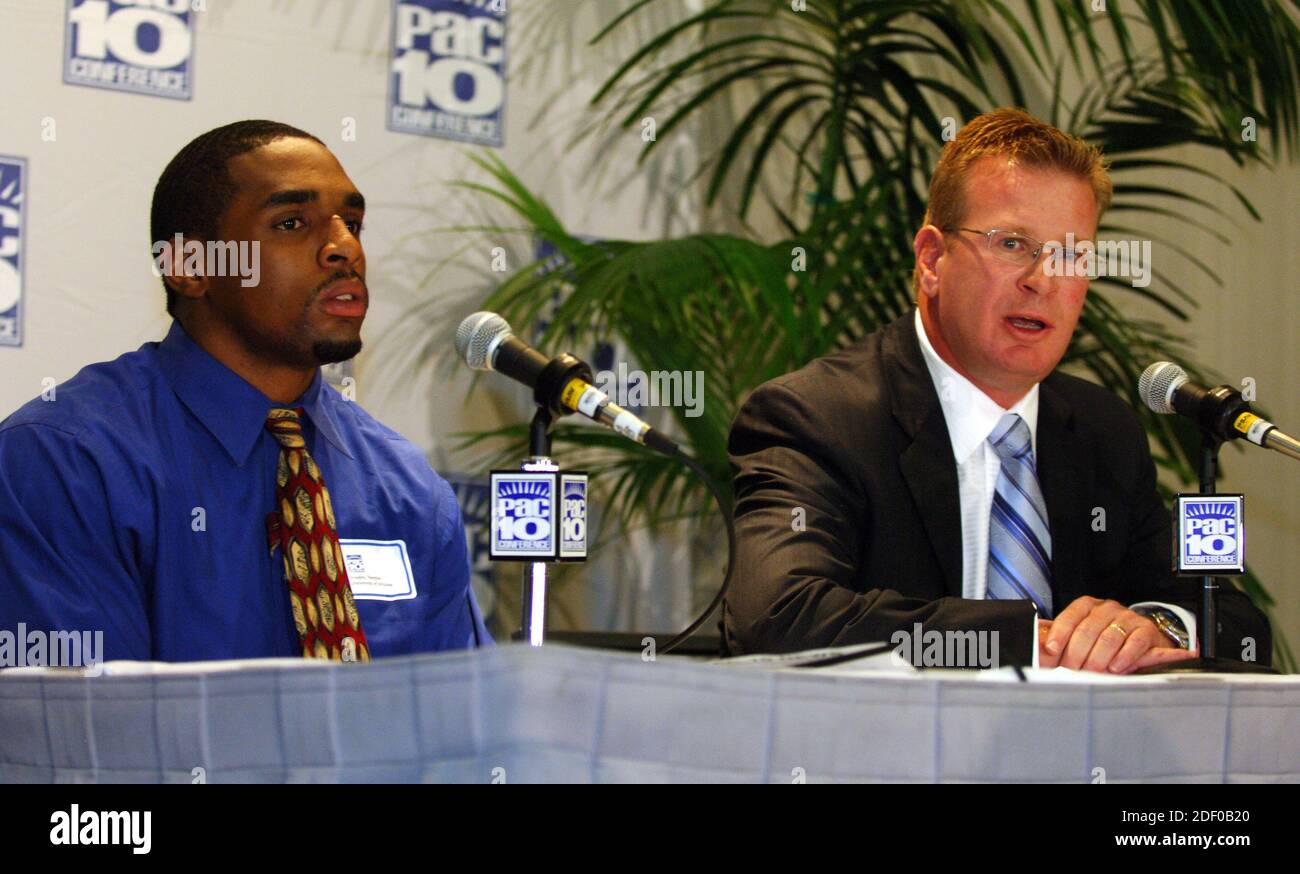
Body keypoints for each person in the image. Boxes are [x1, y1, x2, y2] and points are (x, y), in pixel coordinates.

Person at [724, 108, 1270, 672]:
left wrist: (1151, 627)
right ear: (932, 260)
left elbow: (1238, 624)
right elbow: (777, 616)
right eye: (1012, 244)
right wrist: (1032, 642)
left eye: (1071, 255)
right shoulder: (818, 418)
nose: (1043, 279)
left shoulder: (1103, 431)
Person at [0, 120, 490, 663]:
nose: (344, 248)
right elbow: (90, 730)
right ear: (189, 267)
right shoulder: (66, 460)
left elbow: (457, 718)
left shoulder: (406, 487)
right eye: (291, 222)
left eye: (352, 222)